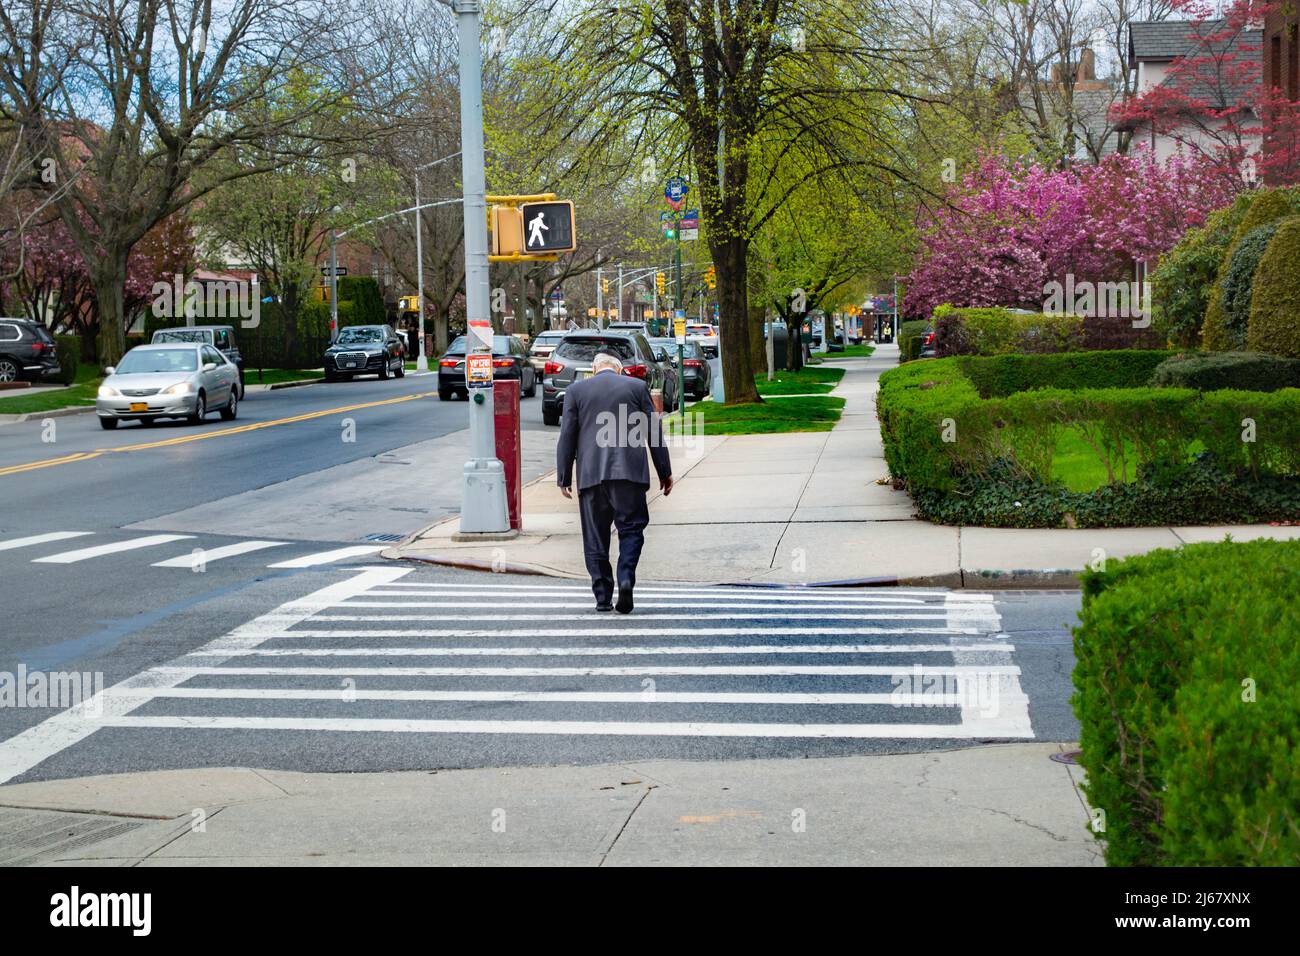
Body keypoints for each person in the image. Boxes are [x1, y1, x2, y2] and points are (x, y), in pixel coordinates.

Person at [556, 352, 672, 613]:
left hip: (591, 476)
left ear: (594, 369)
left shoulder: (576, 391)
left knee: (595, 538)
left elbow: (567, 436)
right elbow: (653, 432)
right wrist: (664, 471)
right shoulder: (637, 387)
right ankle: (626, 576)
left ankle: (602, 597)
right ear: (619, 371)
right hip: (629, 475)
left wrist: (563, 476)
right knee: (631, 530)